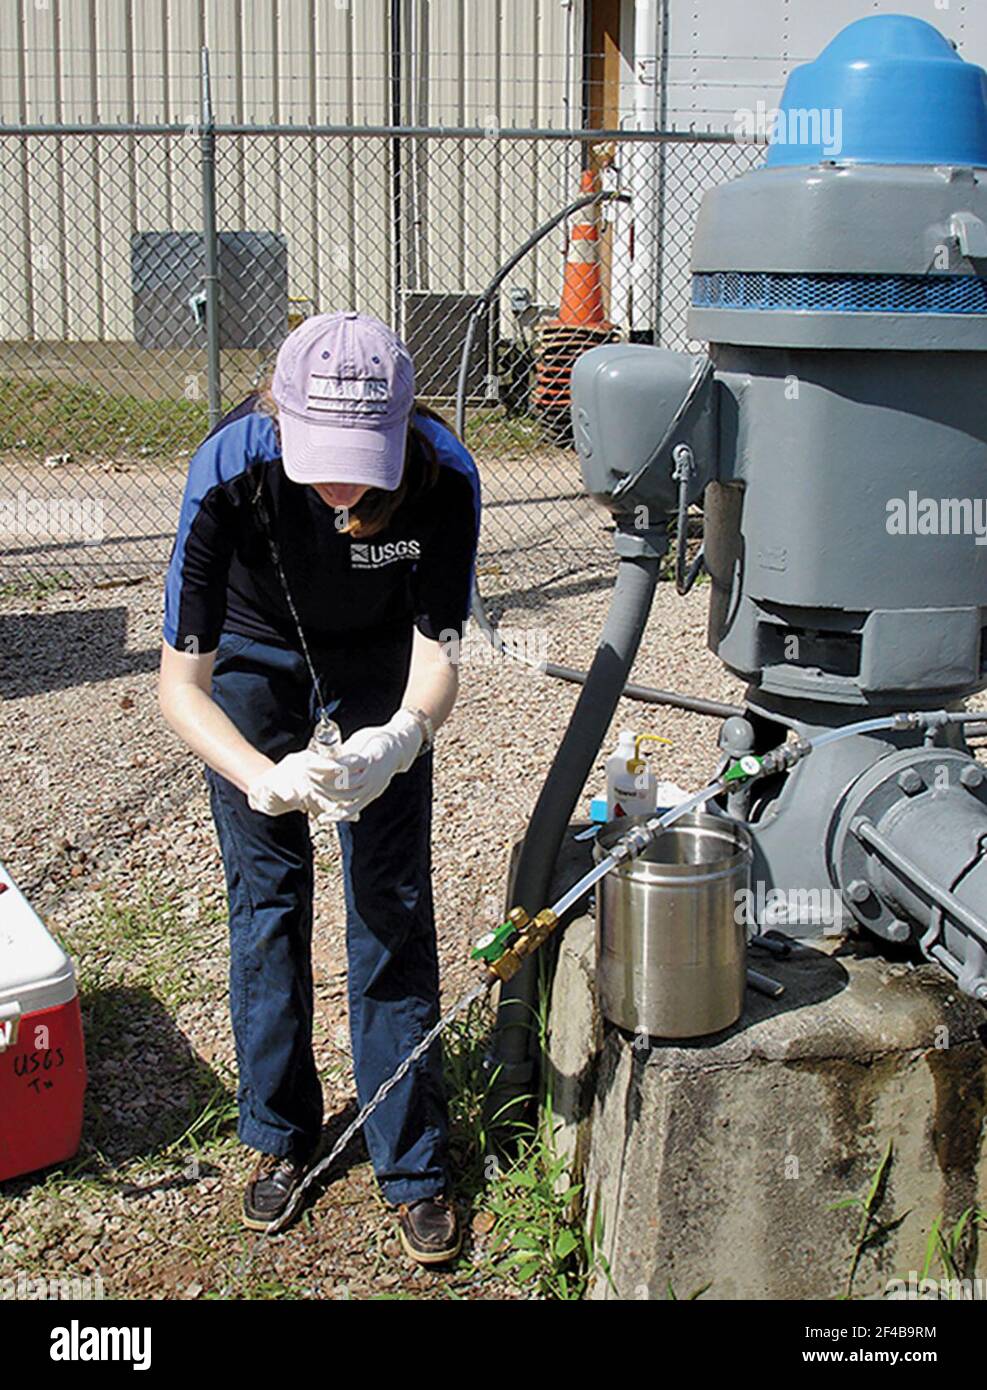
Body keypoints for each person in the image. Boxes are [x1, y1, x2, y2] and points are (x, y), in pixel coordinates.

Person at [157, 310, 480, 1264]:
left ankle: (411, 1158)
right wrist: (262, 777)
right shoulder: (227, 469)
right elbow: (181, 686)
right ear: (277, 416)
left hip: (379, 662)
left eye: (362, 459)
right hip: (256, 654)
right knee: (267, 900)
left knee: (389, 897)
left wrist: (400, 738)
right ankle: (280, 1133)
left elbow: (439, 655)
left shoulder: (442, 473)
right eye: (320, 454)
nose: (342, 483)